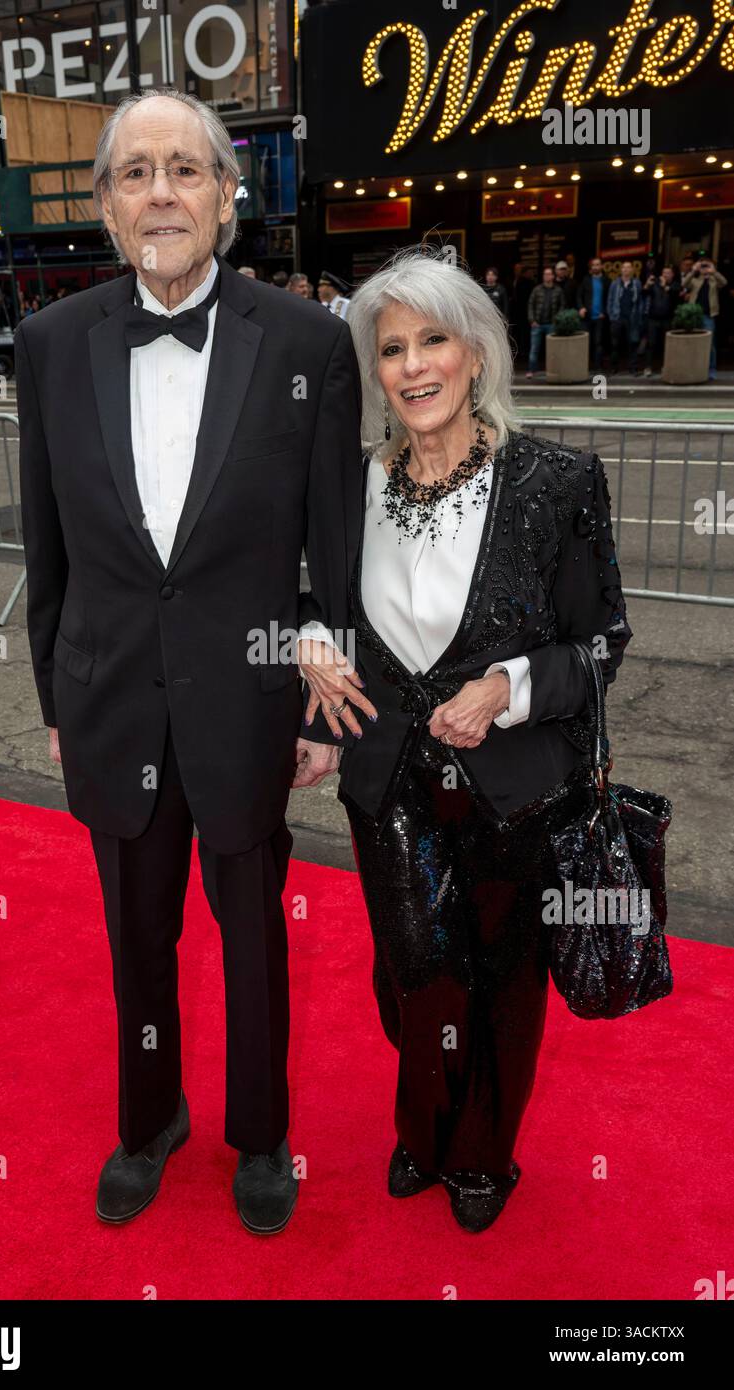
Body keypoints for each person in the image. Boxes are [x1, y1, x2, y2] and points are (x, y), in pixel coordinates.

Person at [14, 88, 365, 1237]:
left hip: (252, 700)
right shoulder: (49, 345)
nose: (159, 191)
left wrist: (324, 706)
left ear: (226, 196)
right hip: (110, 694)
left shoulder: (309, 343)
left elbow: (334, 548)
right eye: (134, 174)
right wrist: (54, 695)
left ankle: (260, 1133)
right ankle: (149, 1115)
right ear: (109, 207)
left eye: (184, 170)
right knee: (136, 936)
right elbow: (44, 542)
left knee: (253, 934)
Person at [299, 245, 631, 1232]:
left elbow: (602, 639)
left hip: (516, 783)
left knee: (502, 980)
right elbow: (309, 597)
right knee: (414, 974)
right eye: (390, 347)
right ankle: (425, 1116)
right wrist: (311, 642)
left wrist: (508, 685)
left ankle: (479, 1152)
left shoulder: (556, 483)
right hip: (388, 775)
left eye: (431, 339)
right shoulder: (351, 486)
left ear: (474, 351)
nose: (411, 365)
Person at [681, 254, 728, 380]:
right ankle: (692, 368)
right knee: (692, 342)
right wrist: (693, 270)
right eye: (703, 265)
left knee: (710, 343)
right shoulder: (696, 279)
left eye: (707, 265)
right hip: (694, 315)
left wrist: (714, 271)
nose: (705, 268)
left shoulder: (714, 280)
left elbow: (724, 283)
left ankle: (711, 369)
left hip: (708, 315)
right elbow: (684, 284)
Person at [525, 266, 564, 377]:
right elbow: (530, 304)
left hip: (551, 324)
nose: (546, 276)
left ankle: (552, 371)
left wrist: (557, 320)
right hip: (537, 324)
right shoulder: (537, 289)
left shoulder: (558, 290)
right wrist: (532, 320)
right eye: (545, 274)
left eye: (548, 274)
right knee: (534, 348)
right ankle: (531, 370)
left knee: (552, 350)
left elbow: (562, 305)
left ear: (552, 276)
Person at [607, 261, 644, 375]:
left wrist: (640, 314)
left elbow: (640, 301)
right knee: (615, 344)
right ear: (621, 270)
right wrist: (612, 315)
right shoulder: (615, 283)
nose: (626, 269)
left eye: (629, 267)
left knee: (632, 344)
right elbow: (610, 300)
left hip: (632, 318)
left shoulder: (637, 283)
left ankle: (633, 367)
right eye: (624, 267)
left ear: (632, 270)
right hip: (617, 318)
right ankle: (614, 367)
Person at [642, 265, 679, 375]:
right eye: (664, 273)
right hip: (653, 319)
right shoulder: (655, 284)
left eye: (668, 273)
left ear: (672, 274)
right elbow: (643, 294)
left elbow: (675, 294)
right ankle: (648, 367)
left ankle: (666, 367)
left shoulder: (675, 284)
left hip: (668, 319)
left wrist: (665, 286)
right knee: (651, 344)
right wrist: (647, 285)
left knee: (667, 344)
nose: (665, 275)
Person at [576, 256, 610, 369]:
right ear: (591, 267)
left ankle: (597, 366)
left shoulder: (606, 281)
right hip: (587, 317)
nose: (595, 267)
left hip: (599, 317)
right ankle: (583, 366)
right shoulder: (586, 279)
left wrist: (604, 312)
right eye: (593, 265)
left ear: (601, 266)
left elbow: (609, 299)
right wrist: (581, 307)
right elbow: (579, 296)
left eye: (597, 264)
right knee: (585, 343)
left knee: (598, 343)